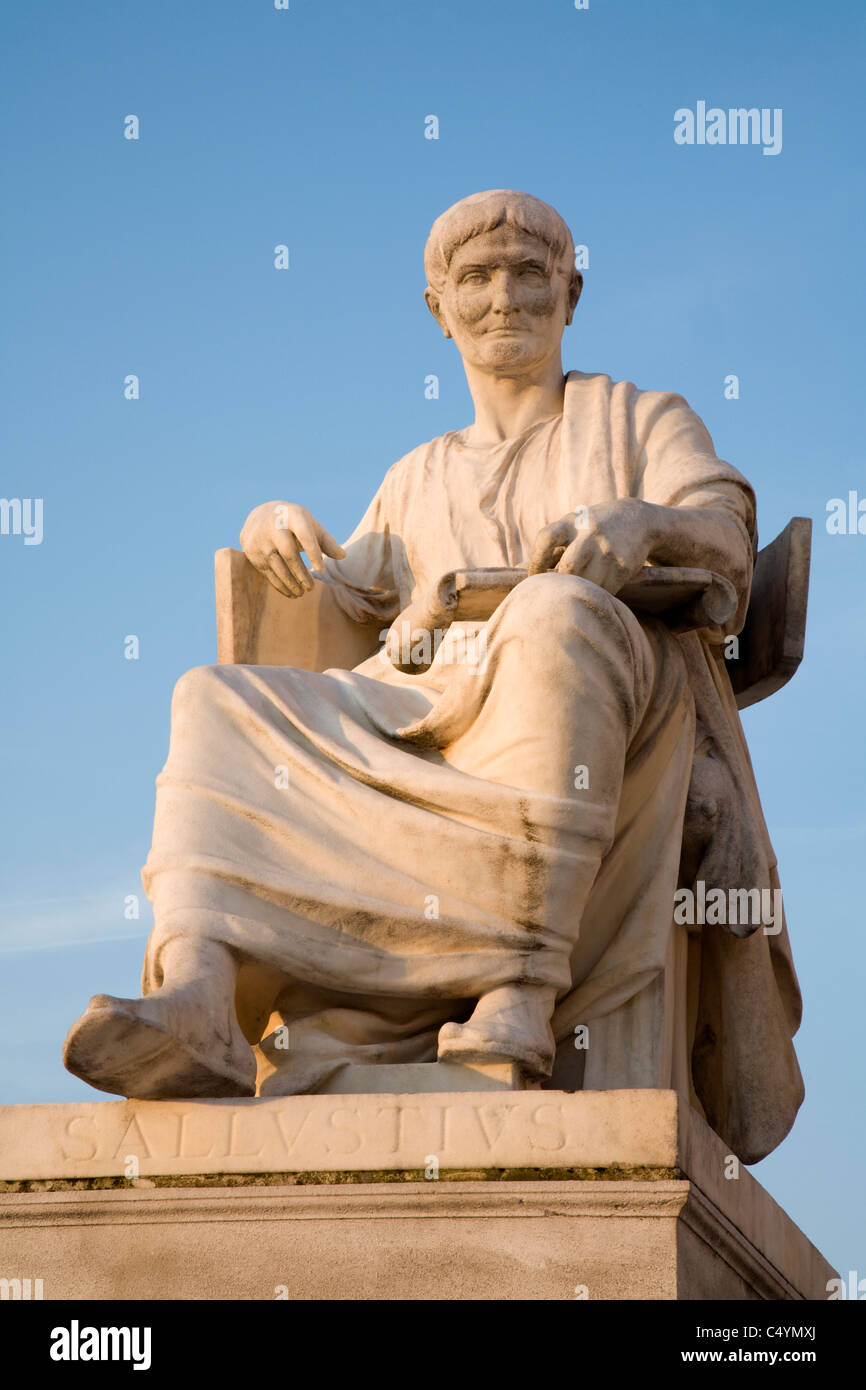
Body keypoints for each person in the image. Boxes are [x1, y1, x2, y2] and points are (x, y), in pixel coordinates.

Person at [64, 191, 802, 1163]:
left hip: (601, 700)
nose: (503, 298)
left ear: (569, 293)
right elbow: (338, 604)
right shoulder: (416, 476)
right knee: (212, 697)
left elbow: (725, 542)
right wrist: (270, 528)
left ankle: (517, 991)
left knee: (550, 614)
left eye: (528, 274)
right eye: (476, 279)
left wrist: (644, 523)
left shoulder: (635, 418)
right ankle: (200, 992)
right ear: (437, 307)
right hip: (426, 710)